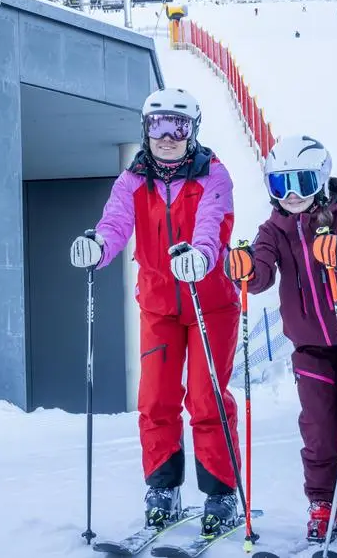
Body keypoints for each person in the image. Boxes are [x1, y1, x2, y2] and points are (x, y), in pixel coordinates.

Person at [69, 88, 243, 537]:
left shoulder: (214, 175)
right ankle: (163, 488)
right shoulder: (132, 181)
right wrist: (99, 246)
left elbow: (212, 225)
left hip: (211, 303)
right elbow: (115, 223)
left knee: (206, 399)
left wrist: (201, 257)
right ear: (145, 131)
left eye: (178, 127)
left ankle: (221, 493)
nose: (167, 137)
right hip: (160, 305)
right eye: (157, 127)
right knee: (155, 400)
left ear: (192, 131)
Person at [223, 136, 337, 544]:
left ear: (320, 180)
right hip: (309, 348)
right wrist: (246, 267)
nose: (291, 195)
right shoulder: (273, 229)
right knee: (319, 430)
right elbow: (262, 271)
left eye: (301, 183)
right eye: (279, 185)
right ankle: (326, 503)